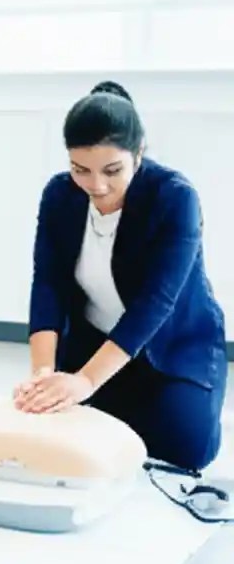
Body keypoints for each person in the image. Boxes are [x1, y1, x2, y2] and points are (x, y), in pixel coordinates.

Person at [14, 82, 227, 472]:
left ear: (139, 152)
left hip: (172, 348)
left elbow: (156, 303)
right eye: (81, 170)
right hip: (94, 343)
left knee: (183, 449)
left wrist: (86, 383)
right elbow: (48, 284)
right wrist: (43, 373)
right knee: (67, 436)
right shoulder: (60, 195)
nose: (96, 185)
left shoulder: (175, 197)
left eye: (112, 170)